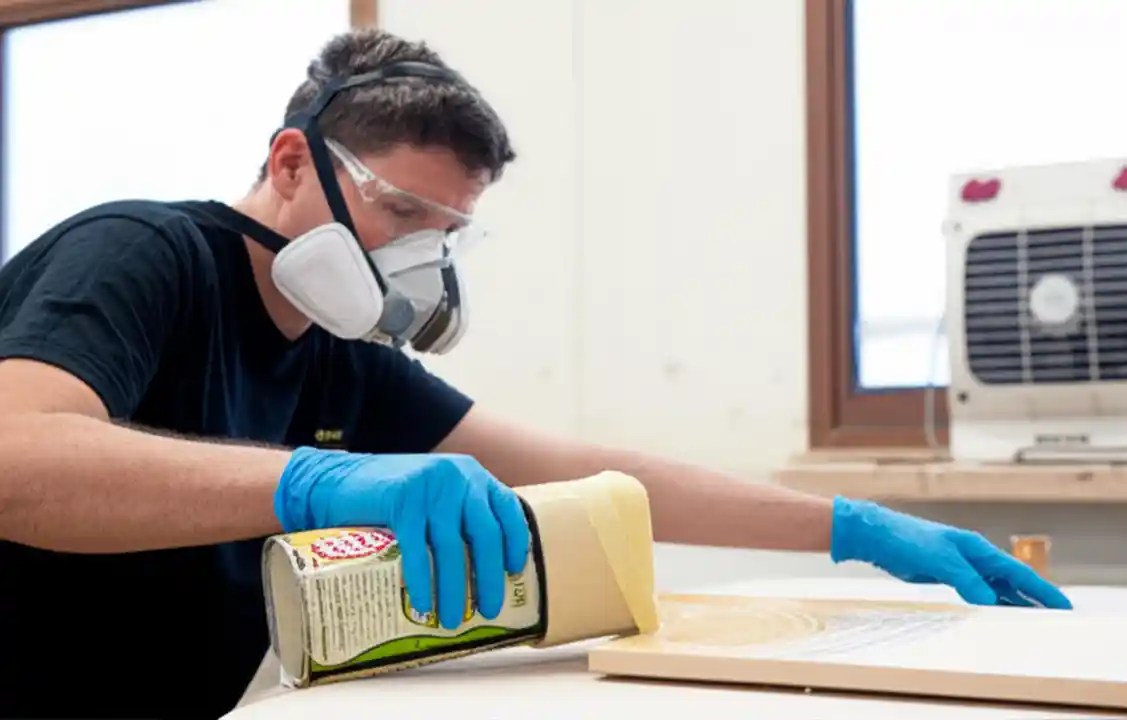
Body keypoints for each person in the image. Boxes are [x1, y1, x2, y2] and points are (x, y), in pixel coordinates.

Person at [0, 28, 1070, 719]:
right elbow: (16, 458)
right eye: (401, 212)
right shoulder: (142, 255)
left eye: (447, 232)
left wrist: (851, 527)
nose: (419, 254)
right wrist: (311, 484)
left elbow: (574, 470)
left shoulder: (338, 355)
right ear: (290, 163)